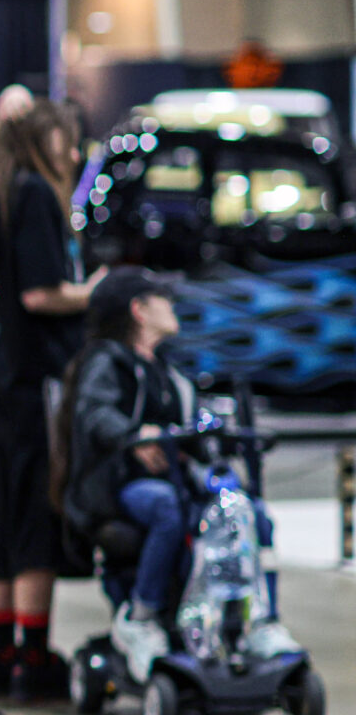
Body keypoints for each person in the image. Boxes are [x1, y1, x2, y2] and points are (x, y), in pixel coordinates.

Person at [60, 269, 300, 672]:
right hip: (122, 483)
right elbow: (94, 414)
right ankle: (141, 616)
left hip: (175, 476)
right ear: (139, 310)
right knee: (167, 507)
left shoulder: (169, 373)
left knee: (251, 512)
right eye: (162, 299)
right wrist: (137, 435)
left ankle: (259, 621)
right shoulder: (107, 360)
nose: (172, 306)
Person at [0, 99, 97, 699]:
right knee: (35, 512)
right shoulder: (36, 194)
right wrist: (93, 292)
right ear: (46, 142)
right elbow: (42, 295)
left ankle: (2, 653)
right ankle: (33, 659)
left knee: (2, 510)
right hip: (38, 380)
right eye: (68, 142)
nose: (75, 154)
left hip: (6, 379)